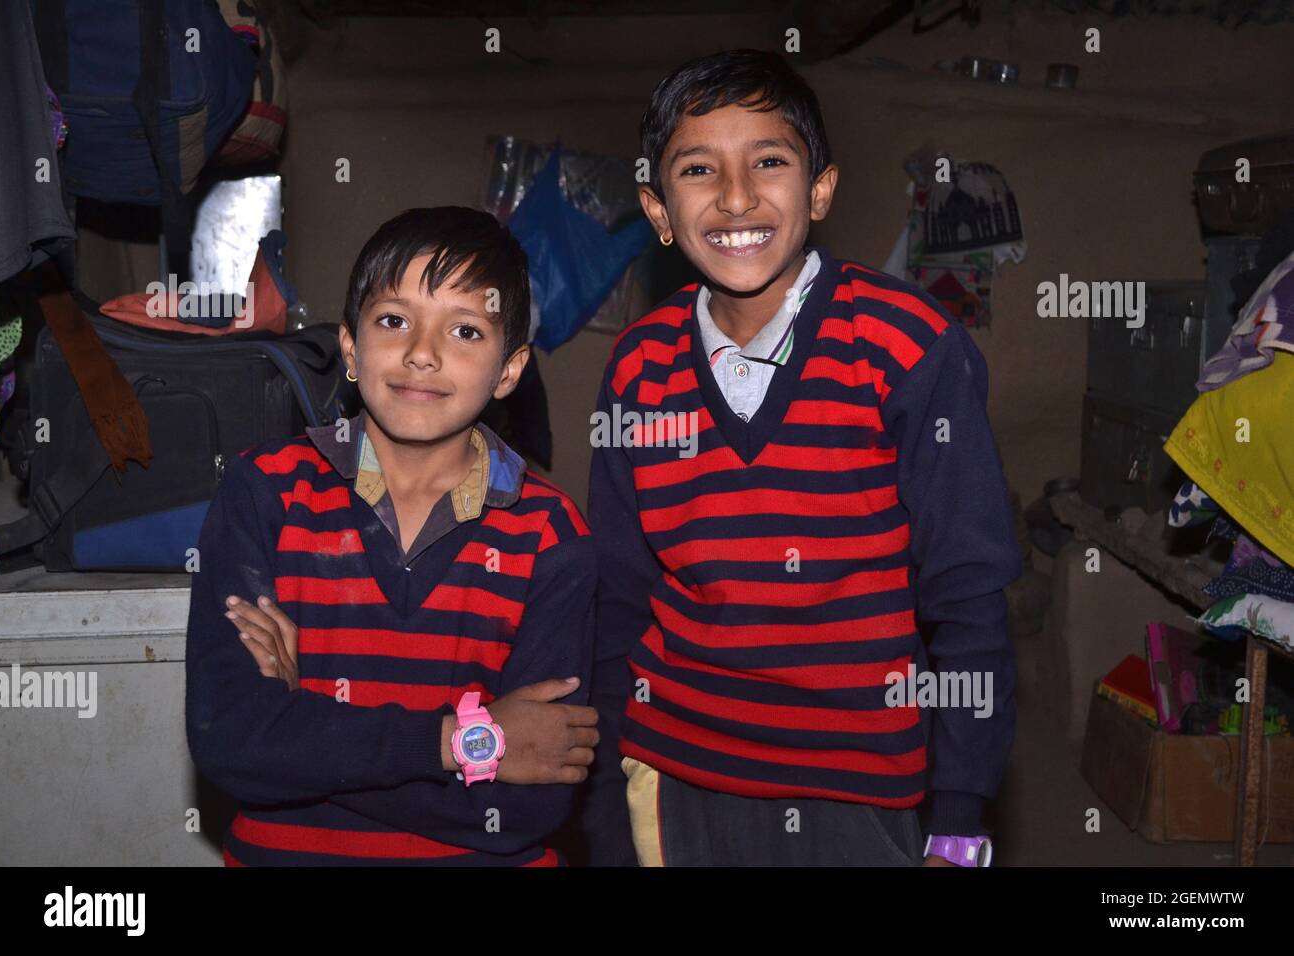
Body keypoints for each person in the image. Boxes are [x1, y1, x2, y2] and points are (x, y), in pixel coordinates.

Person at [582, 49, 1022, 867]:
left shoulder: (907, 348)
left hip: (857, 789)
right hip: (675, 773)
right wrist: (607, 798)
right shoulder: (640, 367)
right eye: (699, 168)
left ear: (820, 189)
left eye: (770, 162)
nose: (737, 196)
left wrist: (960, 818)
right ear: (658, 209)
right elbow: (619, 600)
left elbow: (967, 596)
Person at [185, 206, 599, 866]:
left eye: (465, 330)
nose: (422, 353)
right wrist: (462, 742)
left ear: (510, 370)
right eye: (394, 320)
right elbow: (231, 745)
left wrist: (300, 736)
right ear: (350, 346)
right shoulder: (265, 494)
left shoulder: (551, 536)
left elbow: (525, 809)